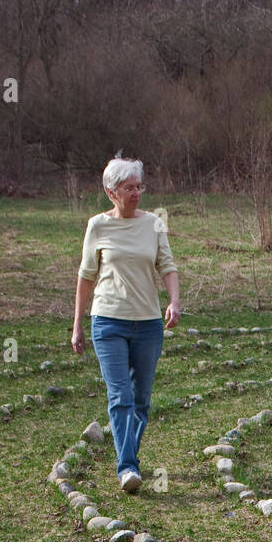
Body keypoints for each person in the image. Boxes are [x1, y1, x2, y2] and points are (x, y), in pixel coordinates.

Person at [71, 155, 181, 492]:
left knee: (141, 400)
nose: (136, 193)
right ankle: (128, 467)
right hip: (108, 322)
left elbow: (167, 264)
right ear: (111, 191)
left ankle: (128, 457)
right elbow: (86, 275)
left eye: (139, 186)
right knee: (120, 396)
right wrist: (77, 323)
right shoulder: (98, 226)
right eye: (128, 188)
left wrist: (175, 301)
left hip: (147, 323)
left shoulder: (153, 224)